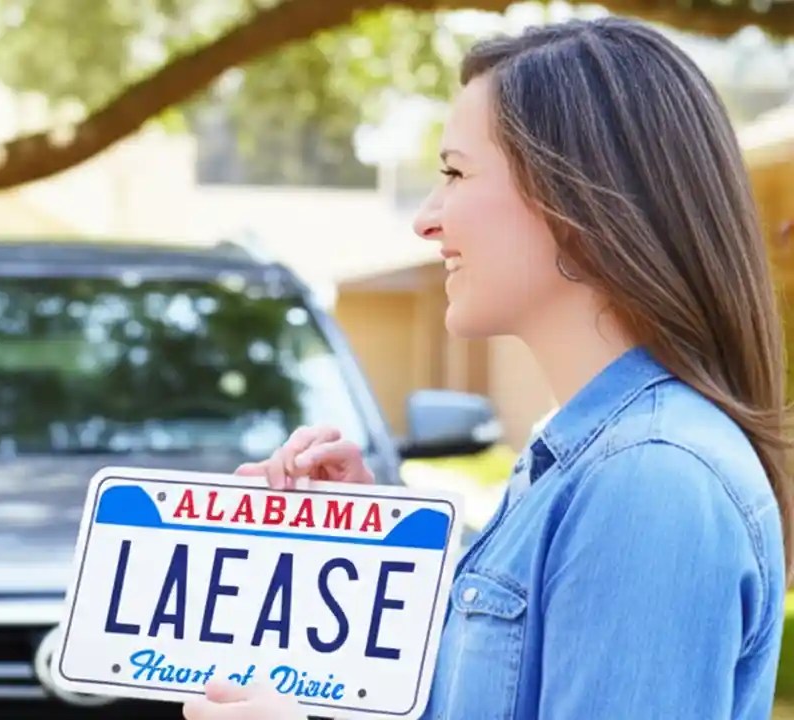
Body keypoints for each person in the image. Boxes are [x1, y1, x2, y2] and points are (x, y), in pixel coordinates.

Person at [183, 15, 791, 720]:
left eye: (454, 172)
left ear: (575, 199)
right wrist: (385, 546)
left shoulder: (650, 480)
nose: (427, 219)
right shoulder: (579, 466)